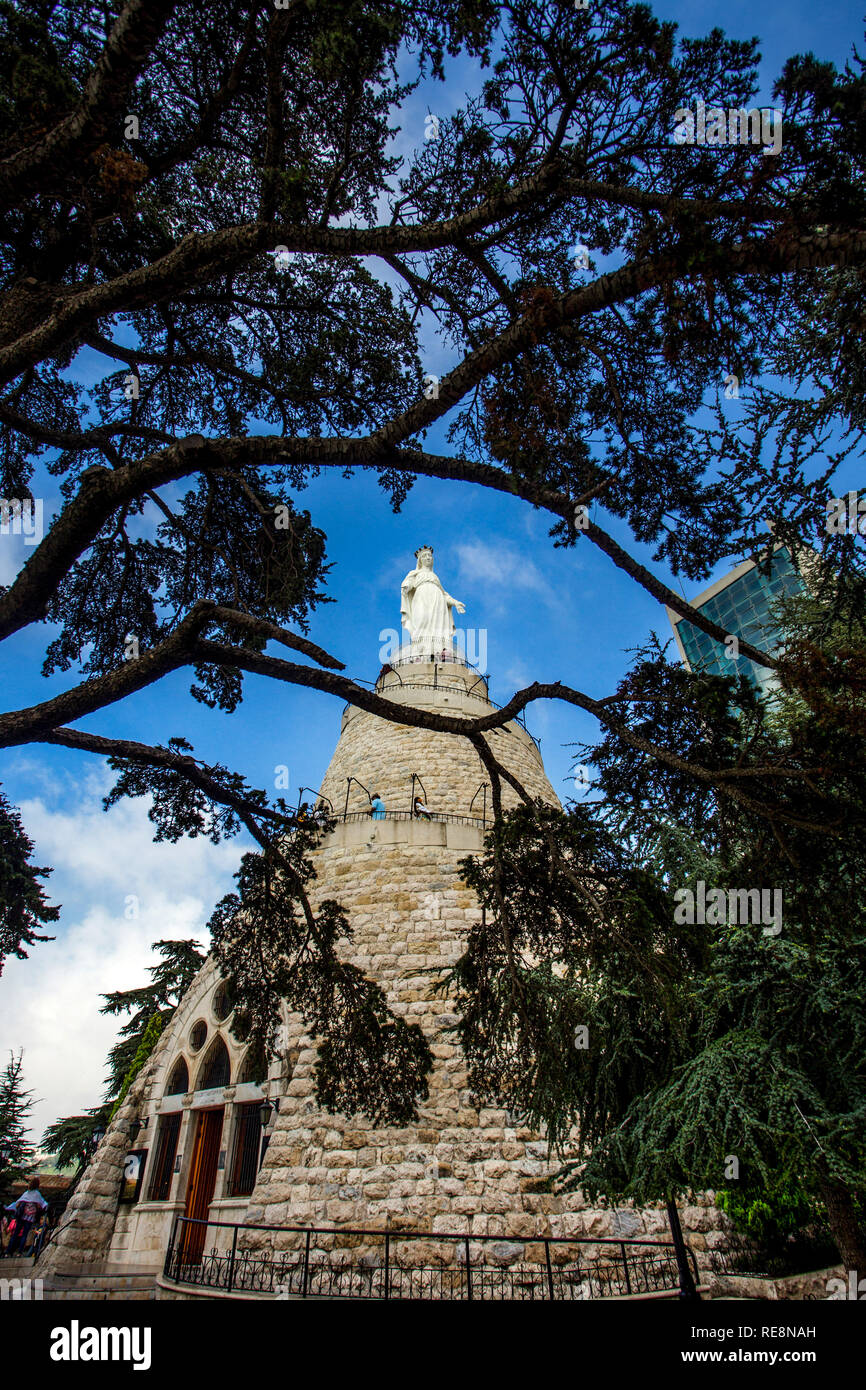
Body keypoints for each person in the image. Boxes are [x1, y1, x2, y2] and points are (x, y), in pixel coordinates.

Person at [5, 1179, 48, 1256]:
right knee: (24, 1235)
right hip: (30, 1217)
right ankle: (19, 1252)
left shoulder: (26, 1193)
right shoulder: (37, 1194)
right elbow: (42, 1204)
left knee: (15, 1234)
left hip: (22, 1216)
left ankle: (8, 1251)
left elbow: (18, 1203)